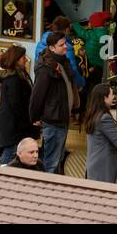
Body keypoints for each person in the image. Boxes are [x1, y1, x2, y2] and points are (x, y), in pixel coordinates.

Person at [29, 31, 75, 174]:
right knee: (51, 161)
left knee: (57, 158)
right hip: (54, 118)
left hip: (61, 116)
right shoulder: (46, 68)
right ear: (52, 48)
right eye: (61, 45)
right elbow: (37, 94)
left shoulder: (62, 61)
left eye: (65, 43)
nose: (65, 47)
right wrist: (34, 116)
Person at [83, 83, 117, 184]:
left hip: (95, 167)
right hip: (103, 170)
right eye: (112, 94)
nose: (114, 97)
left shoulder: (94, 113)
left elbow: (112, 135)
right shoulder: (104, 117)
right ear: (104, 98)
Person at [0, 45, 33, 166]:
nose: (26, 60)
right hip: (13, 123)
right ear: (16, 59)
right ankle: (1, 173)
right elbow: (16, 104)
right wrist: (26, 120)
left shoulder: (17, 75)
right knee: (12, 150)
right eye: (23, 58)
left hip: (14, 121)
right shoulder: (13, 79)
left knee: (15, 150)